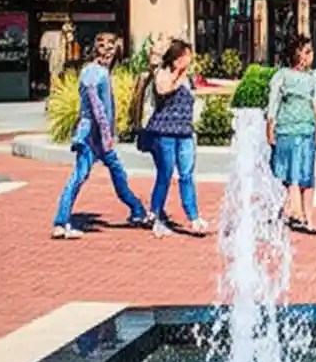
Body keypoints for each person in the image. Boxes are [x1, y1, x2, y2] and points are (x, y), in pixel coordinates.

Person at [51, 33, 151, 239]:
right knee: (80, 176)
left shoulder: (93, 72)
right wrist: (106, 136)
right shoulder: (96, 73)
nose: (111, 54)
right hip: (92, 136)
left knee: (117, 173)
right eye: (110, 50)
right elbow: (97, 108)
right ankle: (61, 222)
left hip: (94, 135)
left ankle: (138, 210)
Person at [267, 35, 316, 234]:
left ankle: (308, 219)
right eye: (307, 51)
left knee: (308, 178)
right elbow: (273, 103)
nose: (311, 55)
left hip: (307, 131)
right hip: (288, 131)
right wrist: (270, 127)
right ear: (297, 55)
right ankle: (295, 214)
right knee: (293, 176)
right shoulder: (282, 76)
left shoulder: (312, 78)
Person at [145, 39, 208, 237]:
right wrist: (177, 74)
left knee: (187, 174)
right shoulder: (163, 74)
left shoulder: (189, 78)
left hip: (185, 133)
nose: (189, 59)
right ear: (176, 58)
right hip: (165, 132)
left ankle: (193, 216)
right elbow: (163, 90)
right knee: (165, 174)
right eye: (186, 55)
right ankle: (155, 213)